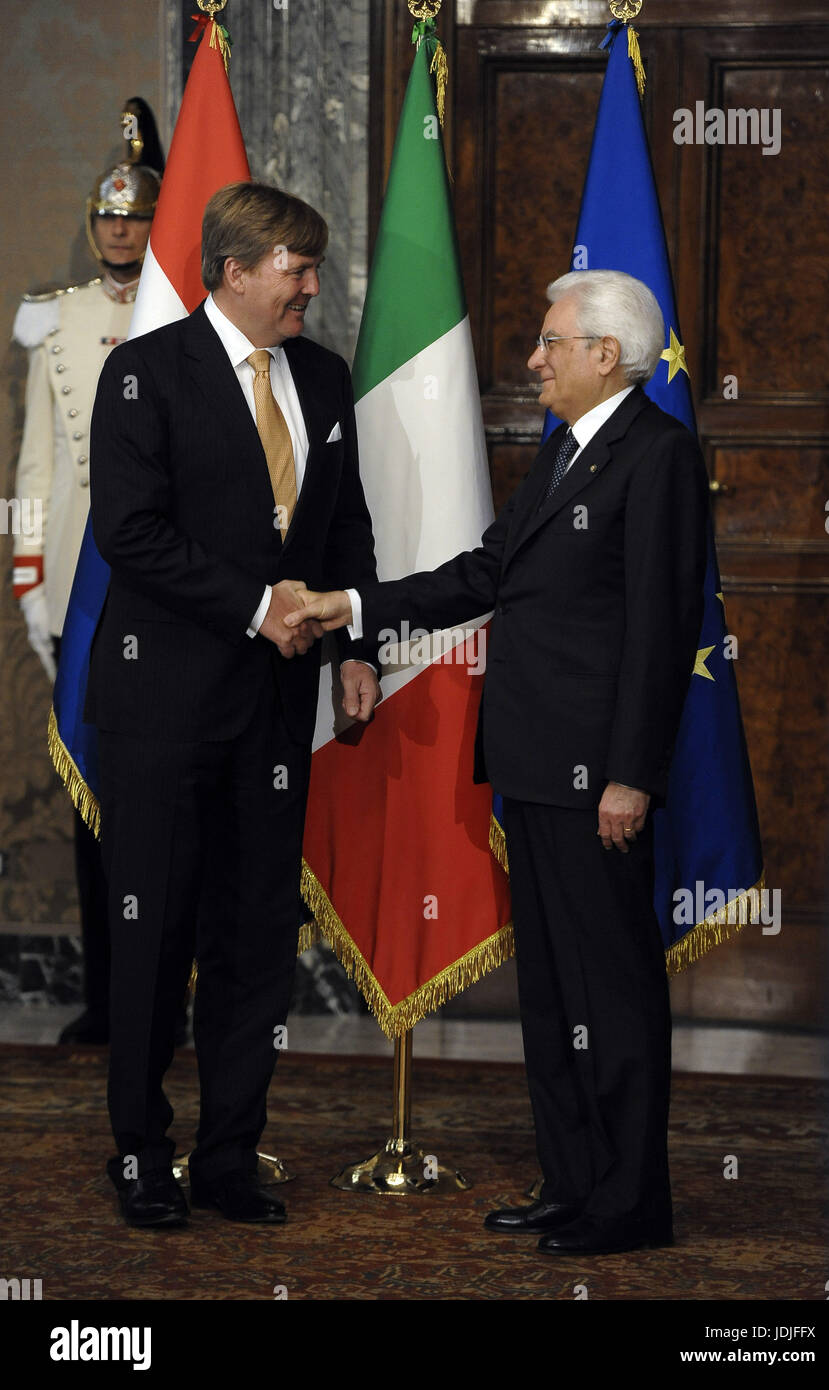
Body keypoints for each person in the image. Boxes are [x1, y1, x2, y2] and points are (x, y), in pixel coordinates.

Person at [286, 269, 709, 1257]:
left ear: (606, 355)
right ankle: (570, 1182)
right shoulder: (566, 450)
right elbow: (485, 573)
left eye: (550, 342)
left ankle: (630, 1201)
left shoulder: (659, 457)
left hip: (595, 776)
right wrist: (349, 606)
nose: (533, 359)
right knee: (554, 990)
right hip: (528, 764)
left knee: (611, 989)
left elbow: (659, 626)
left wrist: (630, 774)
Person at [85, 180, 380, 1227]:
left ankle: (228, 1153)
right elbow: (130, 532)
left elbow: (344, 526)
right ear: (234, 269)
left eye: (312, 265)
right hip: (160, 704)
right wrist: (257, 605)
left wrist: (353, 646)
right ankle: (138, 1151)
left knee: (254, 937)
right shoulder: (142, 375)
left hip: (273, 709)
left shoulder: (327, 379)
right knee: (153, 930)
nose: (311, 283)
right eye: (296, 266)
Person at [12, 98, 163, 1046]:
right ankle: (107, 1000)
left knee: (167, 793)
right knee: (90, 792)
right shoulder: (51, 322)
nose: (117, 232)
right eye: (106, 219)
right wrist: (29, 576)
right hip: (78, 583)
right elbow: (33, 465)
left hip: (164, 587)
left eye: (134, 217)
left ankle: (166, 994)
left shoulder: (181, 316)